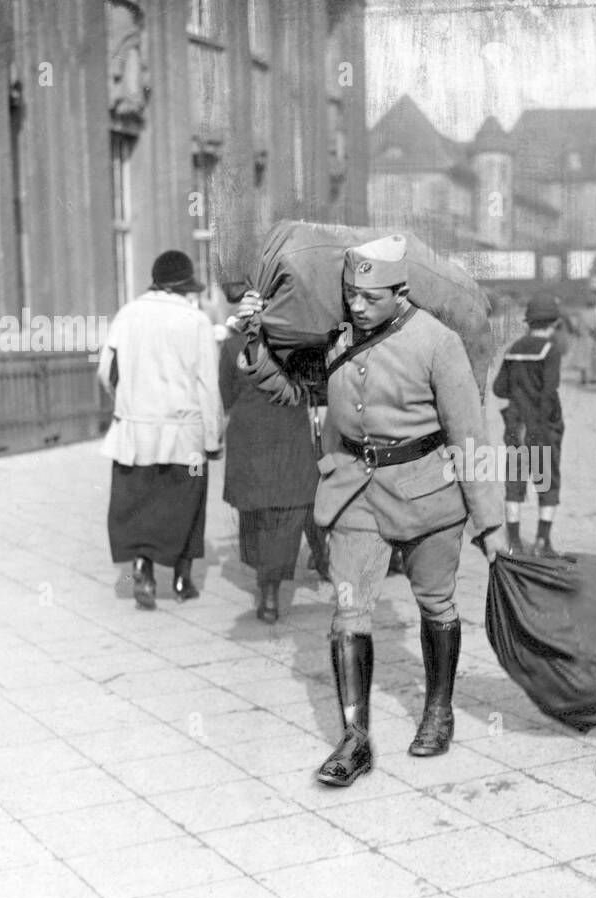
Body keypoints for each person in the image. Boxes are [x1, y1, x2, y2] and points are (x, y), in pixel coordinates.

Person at [234, 234, 505, 787]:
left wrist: (491, 523)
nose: (356, 305)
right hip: (354, 492)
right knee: (348, 612)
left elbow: (469, 439)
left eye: (369, 297)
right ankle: (355, 739)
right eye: (350, 294)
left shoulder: (437, 342)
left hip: (428, 496)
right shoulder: (336, 340)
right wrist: (256, 344)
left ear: (401, 292)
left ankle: (438, 710)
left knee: (436, 603)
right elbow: (291, 392)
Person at [97, 250, 221, 610]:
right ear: (184, 286)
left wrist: (126, 406)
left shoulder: (127, 314)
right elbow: (207, 384)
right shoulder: (194, 320)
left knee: (136, 503)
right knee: (188, 502)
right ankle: (182, 580)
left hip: (135, 434)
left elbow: (107, 371)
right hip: (186, 437)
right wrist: (212, 438)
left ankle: (142, 566)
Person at [219, 312, 323, 623]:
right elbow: (315, 386)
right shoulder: (297, 345)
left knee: (255, 513)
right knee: (286, 512)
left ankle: (267, 588)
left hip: (248, 434)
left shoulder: (232, 345)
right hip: (288, 432)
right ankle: (271, 591)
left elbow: (226, 394)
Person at [492, 291, 565, 557]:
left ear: (528, 322)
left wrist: (518, 392)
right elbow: (549, 391)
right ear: (554, 323)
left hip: (515, 426)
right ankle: (542, 542)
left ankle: (514, 543)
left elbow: (499, 388)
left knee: (514, 483)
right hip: (541, 428)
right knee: (547, 482)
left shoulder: (513, 349)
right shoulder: (550, 350)